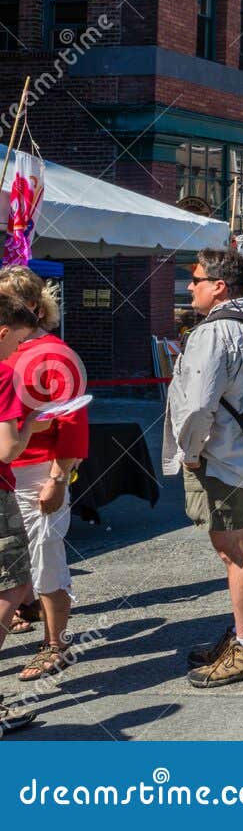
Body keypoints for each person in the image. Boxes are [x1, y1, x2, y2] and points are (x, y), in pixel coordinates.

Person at [164, 248, 243, 687]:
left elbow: (197, 406)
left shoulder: (213, 332)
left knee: (235, 551)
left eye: (196, 279)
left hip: (222, 458)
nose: (190, 287)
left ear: (219, 286)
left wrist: (190, 453)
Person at [0, 268, 87, 683]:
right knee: (13, 563)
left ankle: (56, 643)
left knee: (45, 557)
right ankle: (24, 608)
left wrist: (58, 477)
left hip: (36, 472)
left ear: (31, 306)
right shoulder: (8, 349)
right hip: (8, 472)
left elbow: (72, 423)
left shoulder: (55, 354)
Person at [0, 292, 44, 731]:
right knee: (11, 587)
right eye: (17, 341)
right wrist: (32, 422)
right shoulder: (2, 375)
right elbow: (7, 448)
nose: (18, 350)